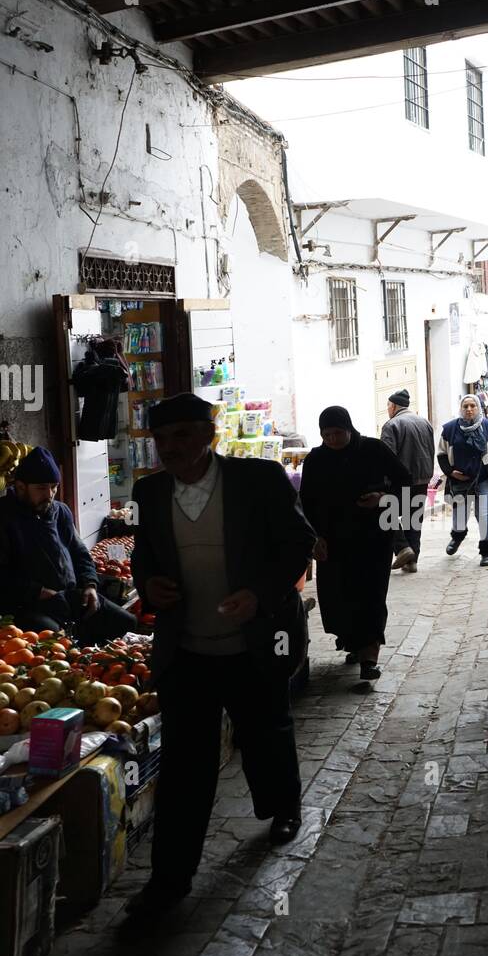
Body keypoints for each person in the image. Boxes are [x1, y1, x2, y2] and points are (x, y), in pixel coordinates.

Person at [127, 393, 315, 923]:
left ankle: (283, 806)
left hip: (252, 641)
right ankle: (169, 879)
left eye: (182, 437)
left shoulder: (258, 480)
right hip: (186, 650)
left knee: (266, 731)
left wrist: (259, 592)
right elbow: (145, 555)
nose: (170, 449)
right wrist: (149, 583)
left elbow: (299, 542)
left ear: (208, 435)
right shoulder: (149, 491)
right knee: (186, 766)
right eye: (160, 440)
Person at [301, 405, 411, 681]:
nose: (334, 440)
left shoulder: (373, 450)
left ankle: (369, 657)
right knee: (339, 596)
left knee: (371, 595)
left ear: (349, 429)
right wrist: (314, 538)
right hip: (333, 541)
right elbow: (307, 502)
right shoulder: (316, 459)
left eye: (339, 433)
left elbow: (405, 482)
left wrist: (383, 499)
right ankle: (353, 642)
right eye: (327, 435)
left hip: (373, 539)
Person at [0, 447, 131, 642]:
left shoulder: (60, 512)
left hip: (70, 596)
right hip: (27, 605)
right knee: (61, 644)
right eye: (41, 488)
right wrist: (36, 591)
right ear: (20, 487)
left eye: (54, 487)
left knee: (126, 623)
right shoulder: (4, 517)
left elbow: (80, 553)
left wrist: (90, 585)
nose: (50, 494)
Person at [438, 393, 488, 566]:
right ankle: (458, 536)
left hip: (483, 479)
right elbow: (442, 454)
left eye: (472, 406)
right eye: (465, 406)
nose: (469, 409)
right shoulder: (450, 429)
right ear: (461, 408)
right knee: (460, 517)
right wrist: (451, 472)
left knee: (483, 514)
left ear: (478, 408)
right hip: (459, 481)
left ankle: (487, 551)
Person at [379, 387, 435, 574]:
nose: (387, 409)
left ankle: (402, 548)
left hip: (401, 479)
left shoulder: (392, 425)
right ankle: (412, 561)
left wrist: (383, 482)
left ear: (394, 406)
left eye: (388, 405)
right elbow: (431, 450)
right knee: (414, 519)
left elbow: (386, 457)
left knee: (387, 512)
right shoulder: (424, 422)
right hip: (422, 478)